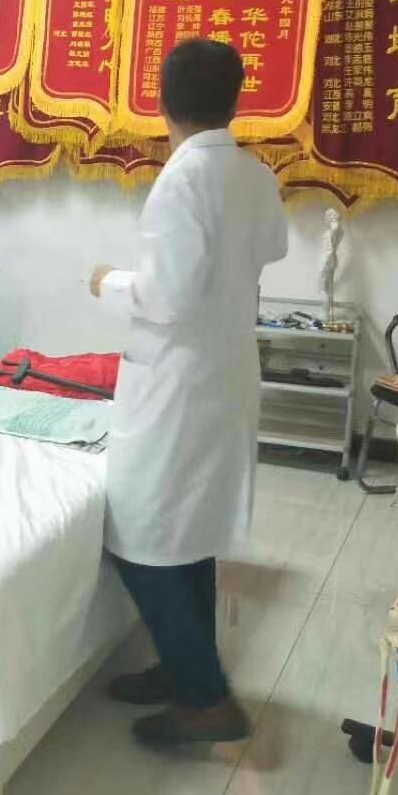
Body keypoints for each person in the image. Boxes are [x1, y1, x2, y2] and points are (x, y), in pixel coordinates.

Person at [89, 39, 287, 749]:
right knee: (190, 531)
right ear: (237, 99)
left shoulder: (183, 178)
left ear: (162, 99)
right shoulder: (254, 173)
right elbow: (273, 249)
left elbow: (166, 298)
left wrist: (108, 282)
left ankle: (206, 698)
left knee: (139, 535)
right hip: (223, 371)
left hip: (178, 381)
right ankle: (184, 670)